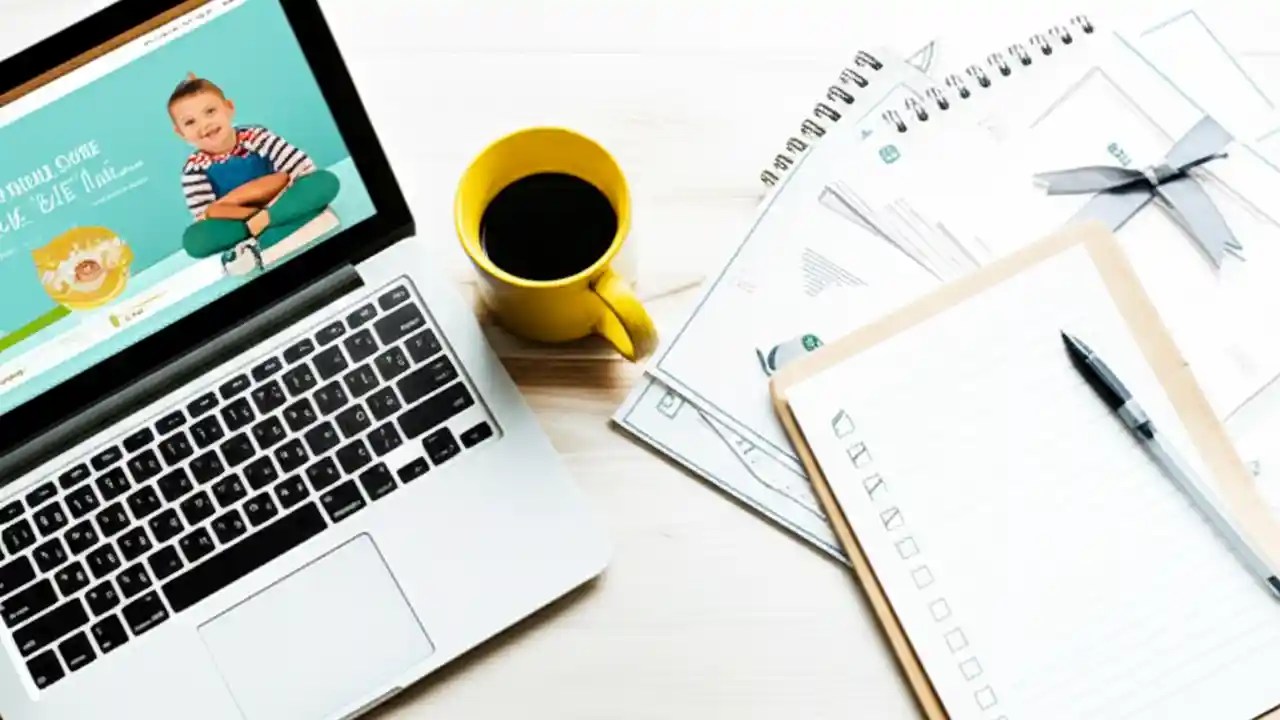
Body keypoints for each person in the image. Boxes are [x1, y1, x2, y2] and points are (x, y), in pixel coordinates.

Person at [169, 73, 338, 270]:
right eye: (190, 122)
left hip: (282, 201)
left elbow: (301, 169)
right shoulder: (194, 169)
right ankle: (271, 223)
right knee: (194, 240)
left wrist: (274, 196)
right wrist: (248, 214)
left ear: (229, 108)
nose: (204, 125)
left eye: (210, 111)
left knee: (324, 181)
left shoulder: (257, 138)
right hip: (240, 220)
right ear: (181, 133)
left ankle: (268, 222)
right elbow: (206, 216)